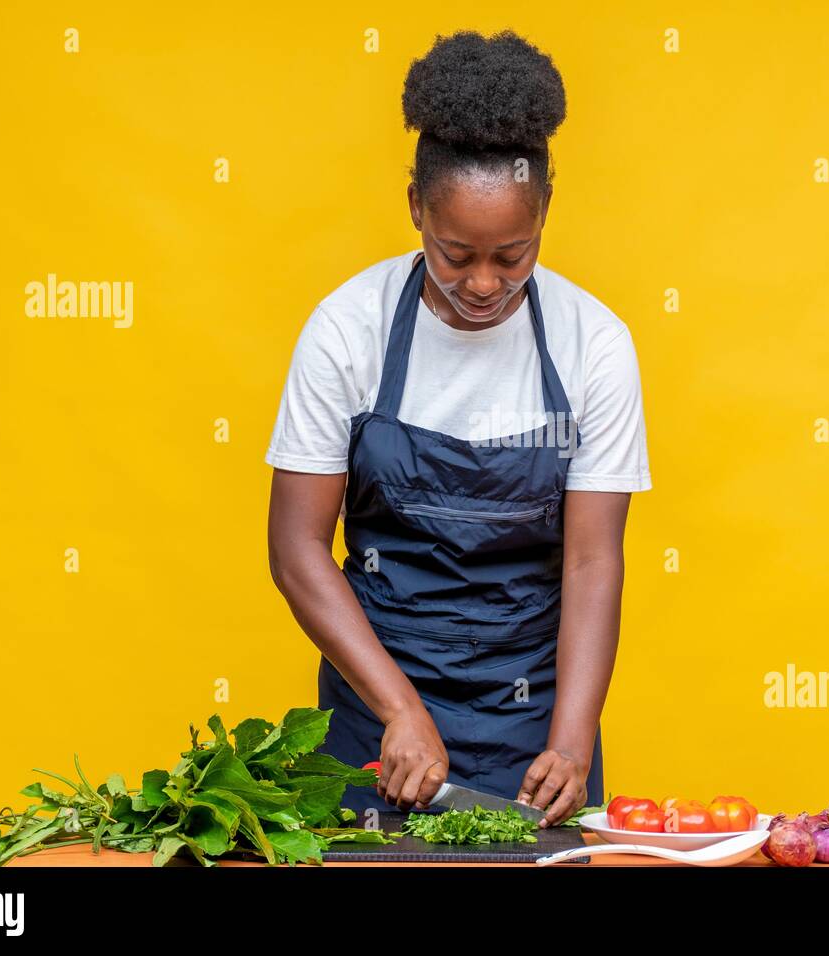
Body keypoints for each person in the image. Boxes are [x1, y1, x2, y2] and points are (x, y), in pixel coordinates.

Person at [265, 29, 650, 829]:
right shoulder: (347, 331)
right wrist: (398, 710)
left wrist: (572, 743)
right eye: (454, 253)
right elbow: (297, 549)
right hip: (375, 714)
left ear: (546, 210)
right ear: (415, 207)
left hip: (534, 715)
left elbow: (590, 559)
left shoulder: (595, 344)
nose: (484, 284)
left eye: (514, 255)